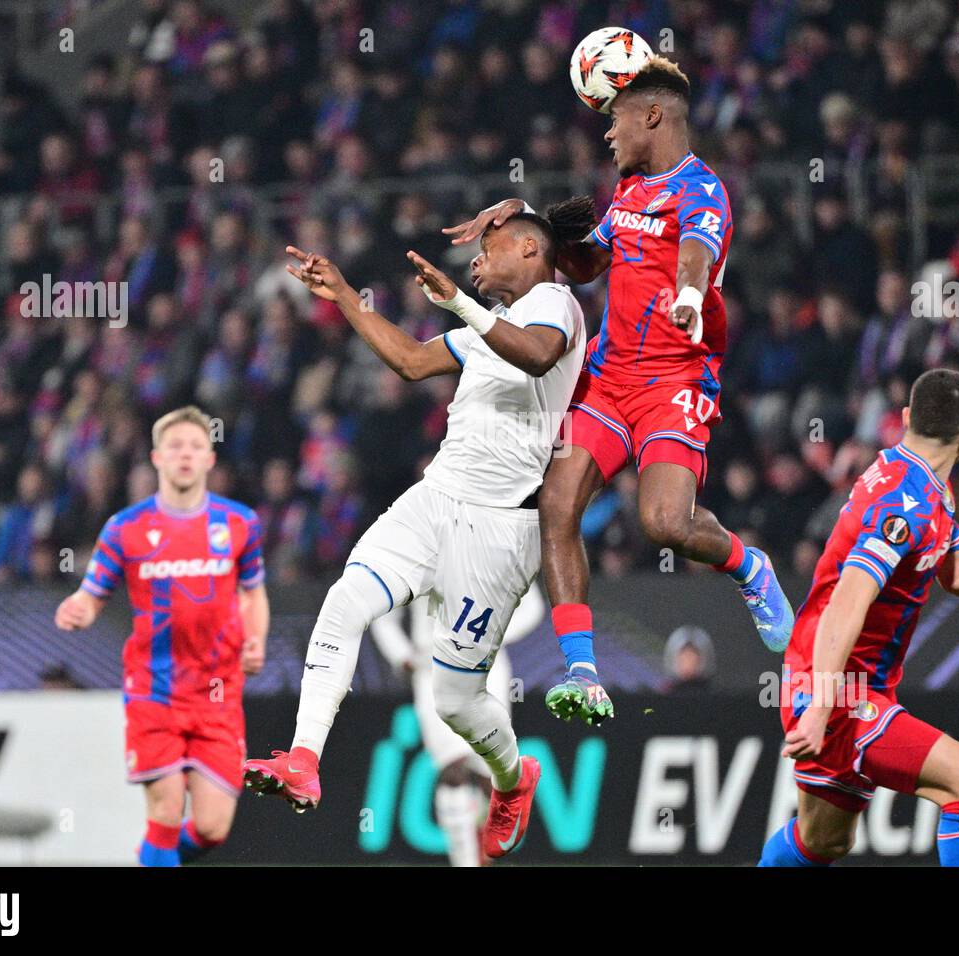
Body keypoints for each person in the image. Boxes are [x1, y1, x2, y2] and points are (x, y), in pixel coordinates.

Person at [444, 57, 793, 727]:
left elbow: (695, 253)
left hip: (675, 382)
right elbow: (588, 264)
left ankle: (749, 566)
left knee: (665, 524)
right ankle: (583, 670)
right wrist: (530, 226)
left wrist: (690, 296)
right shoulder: (629, 192)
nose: (607, 134)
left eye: (615, 119)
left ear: (652, 117)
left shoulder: (703, 193)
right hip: (608, 379)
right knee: (557, 503)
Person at [242, 198, 594, 859]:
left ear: (527, 250)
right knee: (346, 601)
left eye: (488, 251)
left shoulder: (555, 308)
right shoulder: (488, 324)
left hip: (498, 529)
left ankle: (513, 782)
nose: (477, 262)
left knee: (460, 701)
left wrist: (463, 302)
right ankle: (303, 757)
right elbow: (408, 360)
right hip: (436, 499)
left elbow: (539, 358)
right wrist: (345, 295)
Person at [760, 369, 959, 867]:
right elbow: (848, 600)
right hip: (837, 690)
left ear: (906, 418)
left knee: (825, 841)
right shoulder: (906, 505)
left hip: (840, 681)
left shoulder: (920, 483)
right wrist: (820, 708)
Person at [53, 406, 269, 867]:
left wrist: (256, 639)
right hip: (154, 691)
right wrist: (81, 608)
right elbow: (93, 592)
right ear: (156, 458)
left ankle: (154, 858)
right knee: (167, 809)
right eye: (175, 446)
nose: (185, 455)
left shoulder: (239, 524)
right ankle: (158, 850)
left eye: (195, 446)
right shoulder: (125, 528)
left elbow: (253, 593)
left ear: (210, 459)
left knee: (212, 829)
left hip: (218, 692)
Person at [370, 586, 546, 867]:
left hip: (485, 667)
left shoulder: (501, 542)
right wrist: (401, 654)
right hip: (432, 669)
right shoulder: (413, 544)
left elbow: (532, 607)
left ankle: (490, 857)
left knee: (490, 772)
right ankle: (464, 862)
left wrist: (491, 636)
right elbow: (382, 610)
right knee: (453, 766)